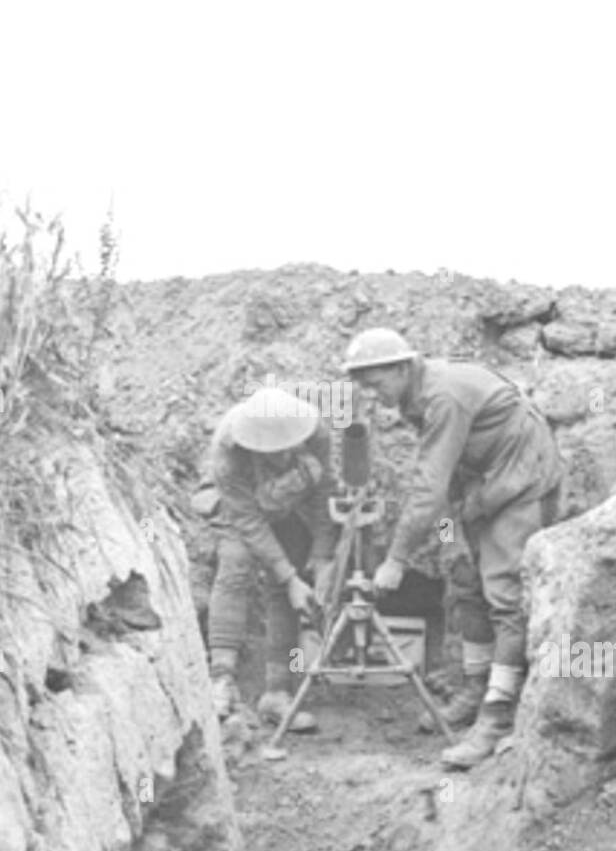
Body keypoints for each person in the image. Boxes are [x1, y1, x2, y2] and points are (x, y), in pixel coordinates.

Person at [341, 328, 565, 768]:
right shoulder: (414, 395)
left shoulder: (443, 397)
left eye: (376, 382)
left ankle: (496, 717)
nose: (372, 394)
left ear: (403, 367)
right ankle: (475, 685)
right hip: (476, 484)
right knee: (463, 574)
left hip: (520, 478)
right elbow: (441, 485)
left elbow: (428, 486)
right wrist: (448, 538)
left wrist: (396, 560)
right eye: (363, 385)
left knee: (502, 591)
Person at [203, 386, 337, 731]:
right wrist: (289, 576)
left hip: (294, 505)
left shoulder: (315, 432)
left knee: (285, 589)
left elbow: (325, 495)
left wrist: (321, 557)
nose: (281, 457)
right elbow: (247, 520)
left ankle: (278, 691)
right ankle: (222, 678)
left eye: (287, 450)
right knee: (235, 565)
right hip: (241, 507)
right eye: (272, 453)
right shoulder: (227, 451)